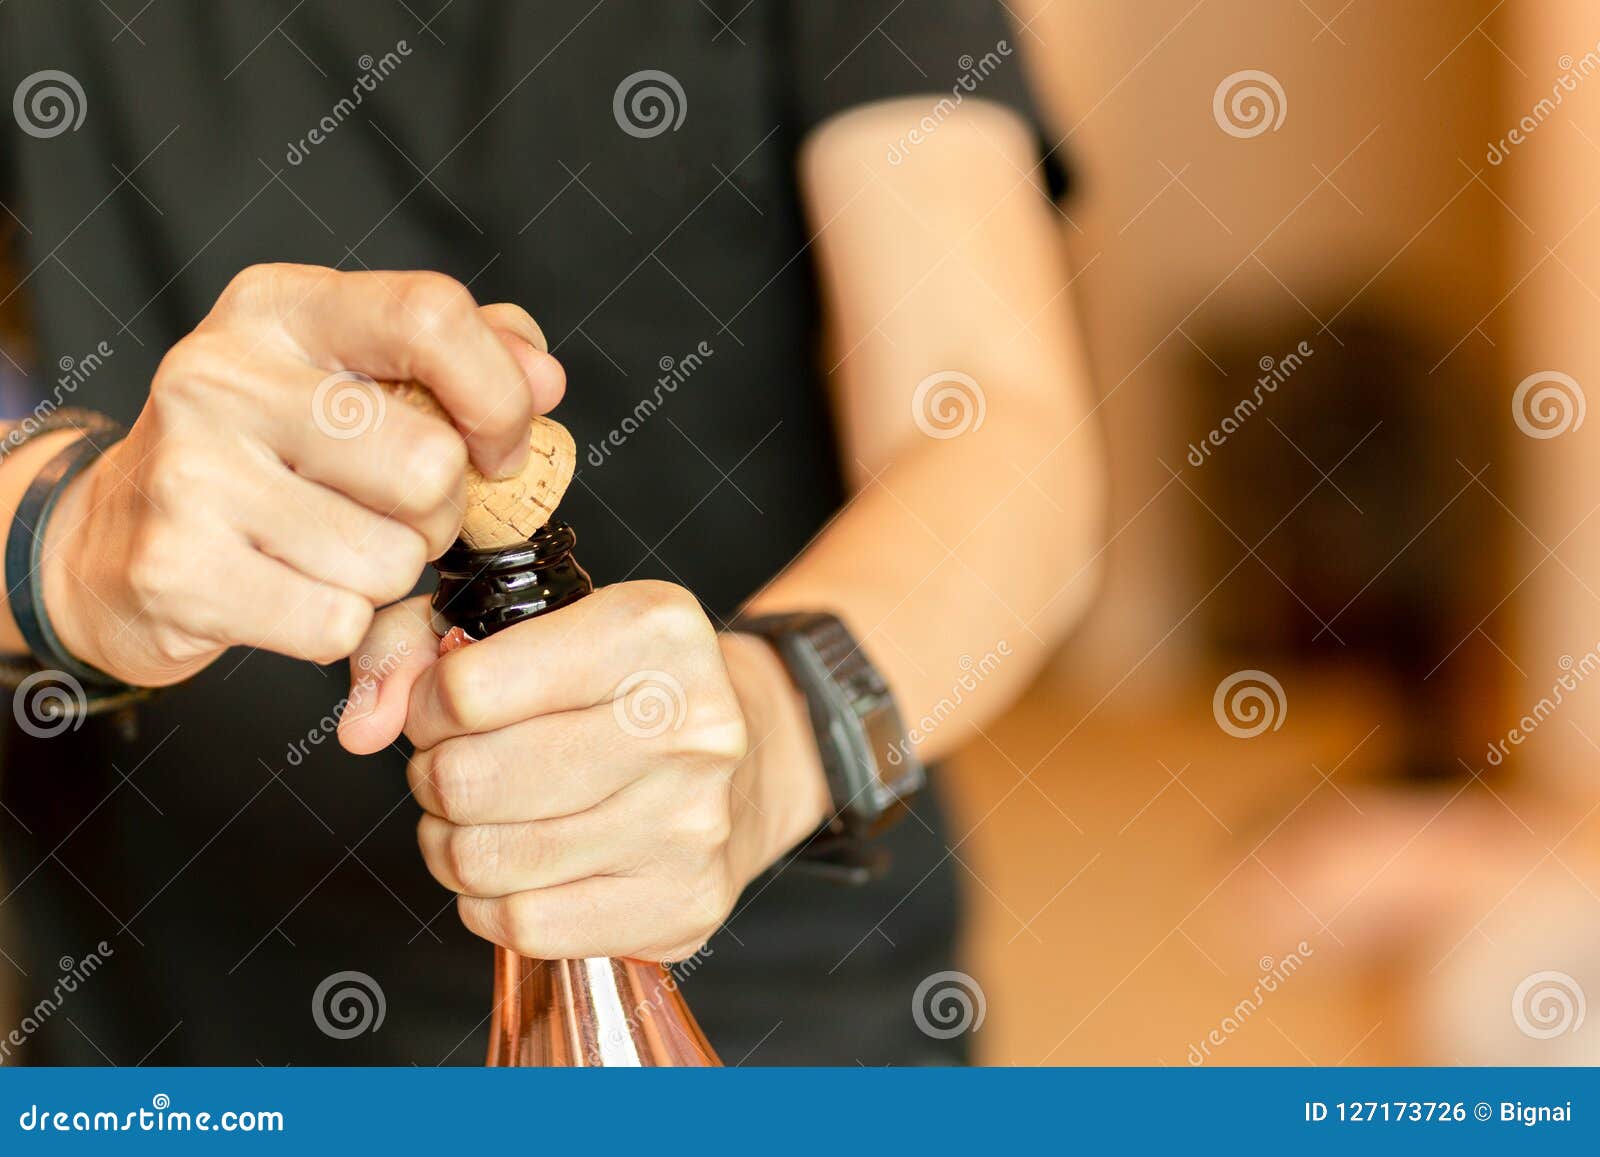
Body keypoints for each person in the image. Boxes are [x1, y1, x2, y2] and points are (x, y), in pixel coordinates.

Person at [0, 1, 1103, 1064]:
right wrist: (62, 537)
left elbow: (995, 429)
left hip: (774, 1015)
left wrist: (772, 726)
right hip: (173, 1028)